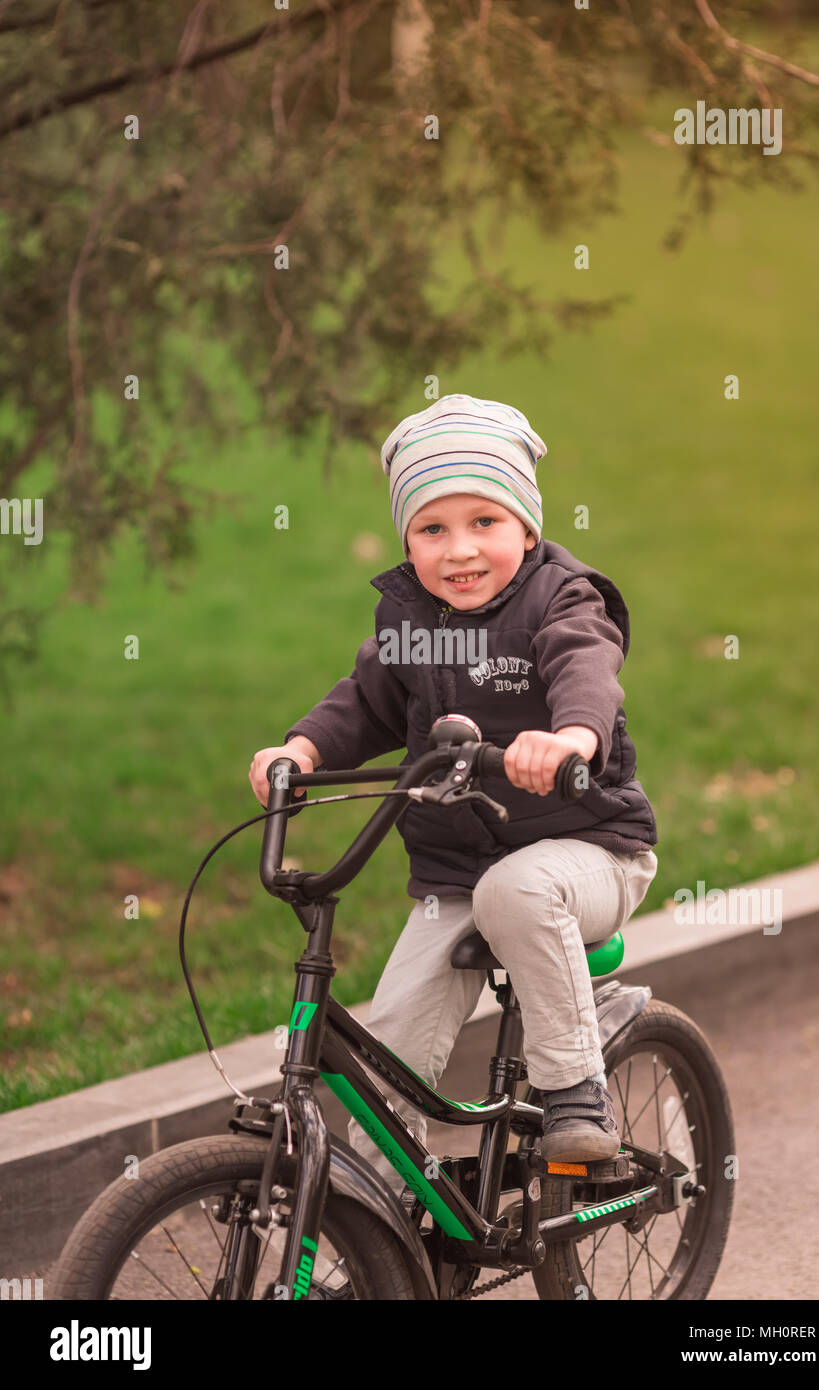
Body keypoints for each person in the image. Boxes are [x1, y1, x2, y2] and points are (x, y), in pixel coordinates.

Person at [249, 393, 658, 1197]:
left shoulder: (562, 600)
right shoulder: (411, 616)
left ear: (528, 530)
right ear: (408, 540)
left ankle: (576, 1089)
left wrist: (572, 739)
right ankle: (374, 1229)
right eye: (432, 529)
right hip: (460, 875)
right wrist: (297, 750)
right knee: (391, 1040)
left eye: (485, 523)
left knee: (520, 888)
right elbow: (364, 702)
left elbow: (587, 668)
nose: (459, 550)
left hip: (590, 851)